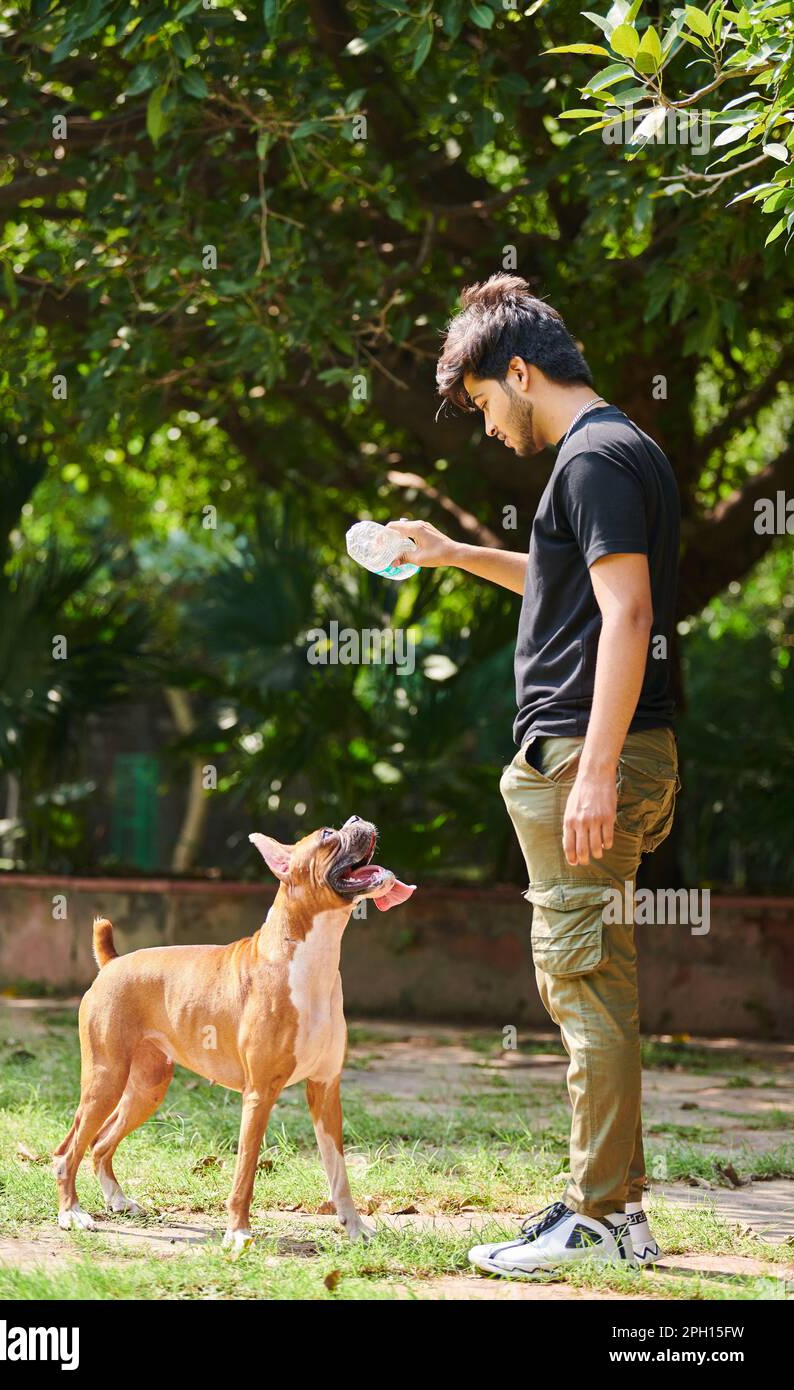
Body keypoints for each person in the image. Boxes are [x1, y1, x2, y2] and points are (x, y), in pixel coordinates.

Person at [387, 273, 681, 1279]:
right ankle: (620, 1214)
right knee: (598, 980)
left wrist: (592, 770)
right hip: (607, 751)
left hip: (584, 755)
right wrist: (451, 553)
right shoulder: (622, 449)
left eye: (482, 402)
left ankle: (594, 1216)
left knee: (583, 986)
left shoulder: (590, 459)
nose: (487, 424)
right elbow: (569, 585)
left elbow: (628, 614)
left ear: (519, 372)